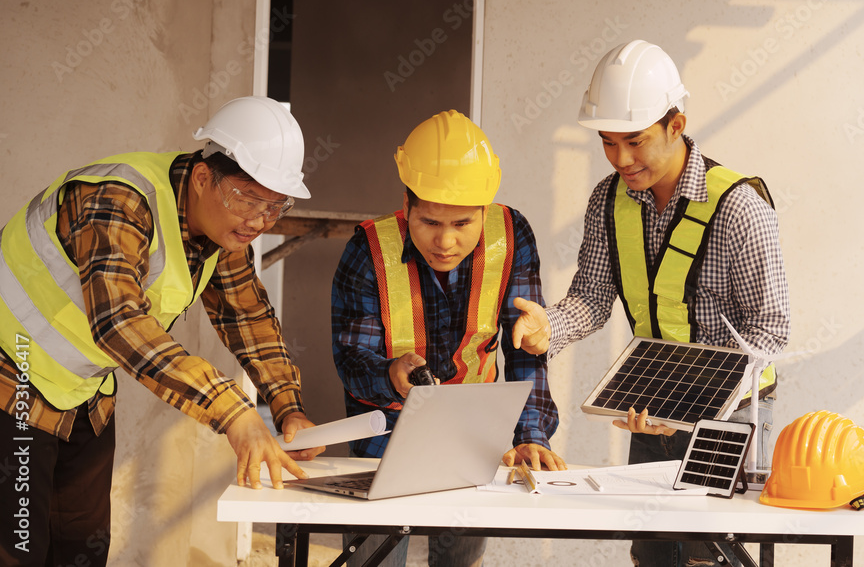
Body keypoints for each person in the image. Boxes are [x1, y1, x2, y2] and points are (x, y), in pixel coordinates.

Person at [0, 96, 325, 567]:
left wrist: (287, 406)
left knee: (80, 554)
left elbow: (247, 316)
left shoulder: (224, 229)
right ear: (201, 178)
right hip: (14, 381)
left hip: (83, 398)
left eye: (274, 207)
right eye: (247, 199)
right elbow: (118, 323)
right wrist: (233, 411)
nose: (257, 221)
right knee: (18, 554)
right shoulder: (118, 201)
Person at [513, 40, 790, 567]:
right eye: (608, 143)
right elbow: (592, 299)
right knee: (657, 555)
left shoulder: (739, 207)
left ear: (676, 124)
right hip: (652, 411)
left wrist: (693, 406)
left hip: (733, 419)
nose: (621, 159)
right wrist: (553, 326)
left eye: (635, 141)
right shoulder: (607, 200)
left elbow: (771, 331)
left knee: (711, 557)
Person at [331, 110, 564, 567]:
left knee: (458, 559)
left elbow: (525, 347)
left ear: (484, 209)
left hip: (474, 433)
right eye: (430, 222)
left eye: (462, 224)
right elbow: (350, 358)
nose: (445, 242)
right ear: (407, 203)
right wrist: (389, 374)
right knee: (372, 559)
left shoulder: (513, 237)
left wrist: (531, 434)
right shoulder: (367, 249)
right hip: (387, 431)